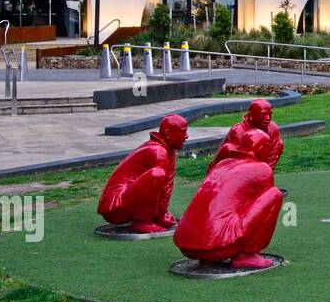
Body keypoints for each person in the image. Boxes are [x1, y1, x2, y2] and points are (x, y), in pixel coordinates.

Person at [174, 129, 284, 270]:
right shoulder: (262, 169)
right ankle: (247, 255)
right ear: (262, 149)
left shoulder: (222, 164)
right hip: (221, 245)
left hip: (188, 246)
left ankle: (207, 260)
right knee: (274, 194)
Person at [97, 114, 187, 233]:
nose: (186, 136)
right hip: (116, 208)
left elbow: (166, 186)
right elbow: (159, 183)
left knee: (159, 175)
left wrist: (161, 214)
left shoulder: (168, 150)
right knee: (157, 174)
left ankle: (152, 217)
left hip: (126, 201)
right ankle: (142, 221)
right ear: (168, 133)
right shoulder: (157, 151)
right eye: (183, 132)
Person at [208, 98, 283, 174]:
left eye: (269, 114)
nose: (267, 118)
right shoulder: (238, 130)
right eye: (263, 115)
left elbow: (275, 150)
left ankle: (263, 176)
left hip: (260, 168)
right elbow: (240, 159)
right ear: (251, 116)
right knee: (228, 148)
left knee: (279, 144)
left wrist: (265, 174)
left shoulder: (272, 128)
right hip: (231, 171)